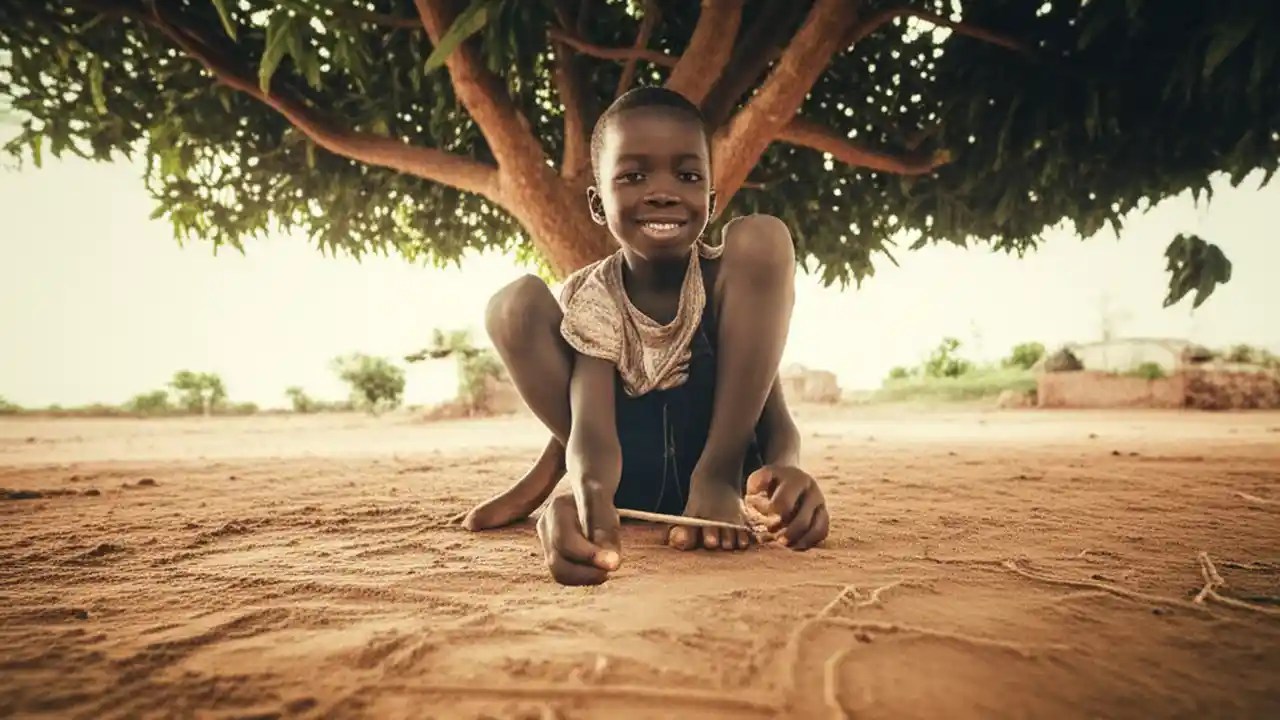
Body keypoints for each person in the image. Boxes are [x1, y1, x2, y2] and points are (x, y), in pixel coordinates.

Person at [460, 87, 830, 585]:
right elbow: (590, 431)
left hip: (727, 479)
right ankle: (560, 484)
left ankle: (713, 475)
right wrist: (588, 498)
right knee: (514, 304)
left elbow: (775, 419)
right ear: (597, 202)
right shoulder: (597, 300)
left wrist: (787, 473)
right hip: (625, 479)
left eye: (688, 175)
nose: (661, 191)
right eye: (633, 176)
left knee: (765, 235)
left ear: (711, 200)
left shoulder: (730, 283)